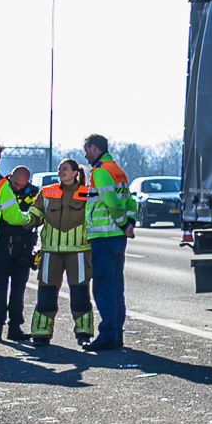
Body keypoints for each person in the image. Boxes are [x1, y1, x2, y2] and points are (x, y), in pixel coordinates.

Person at [31, 159, 96, 348]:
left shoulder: (87, 193)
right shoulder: (47, 191)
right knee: (46, 293)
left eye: (65, 169)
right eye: (59, 169)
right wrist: (19, 221)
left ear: (76, 172)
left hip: (79, 252)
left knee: (80, 293)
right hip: (50, 252)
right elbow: (35, 215)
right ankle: (41, 334)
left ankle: (84, 333)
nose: (60, 171)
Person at [81, 133, 136, 352]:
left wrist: (123, 223)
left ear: (94, 148)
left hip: (103, 237)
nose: (85, 156)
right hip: (117, 238)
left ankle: (108, 334)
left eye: (86, 150)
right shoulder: (118, 170)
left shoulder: (101, 171)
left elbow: (111, 203)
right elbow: (130, 200)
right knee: (115, 286)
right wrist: (129, 222)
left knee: (103, 286)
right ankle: (116, 334)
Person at [0, 165, 39, 341]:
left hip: (22, 247)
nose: (18, 188)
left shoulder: (33, 192)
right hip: (1, 245)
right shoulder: (1, 187)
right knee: (0, 288)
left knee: (19, 289)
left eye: (21, 185)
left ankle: (15, 327)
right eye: (16, 184)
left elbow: (37, 216)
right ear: (10, 176)